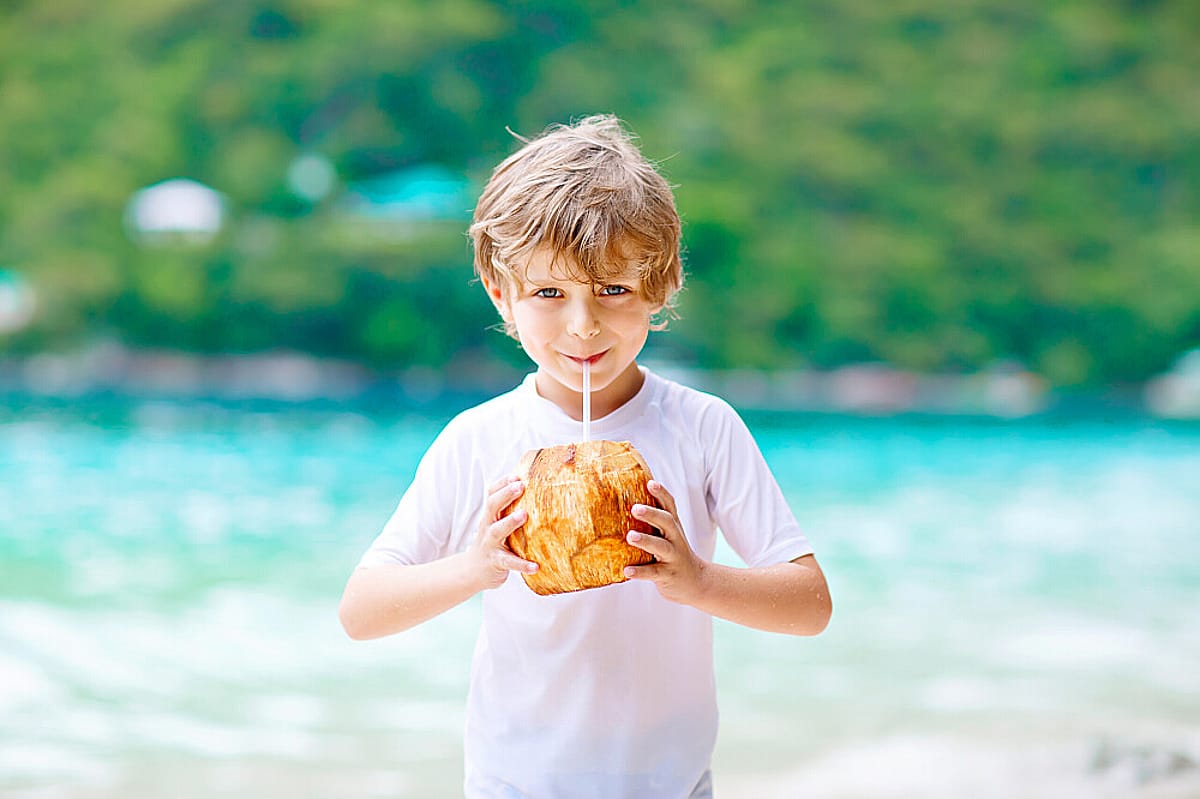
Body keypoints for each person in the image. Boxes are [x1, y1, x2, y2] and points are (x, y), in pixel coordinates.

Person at [339, 114, 831, 799]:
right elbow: (362, 610)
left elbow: (809, 604)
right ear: (500, 291)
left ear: (660, 287)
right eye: (549, 293)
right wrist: (477, 566)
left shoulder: (702, 427)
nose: (582, 324)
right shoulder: (479, 437)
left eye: (613, 289)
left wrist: (695, 579)